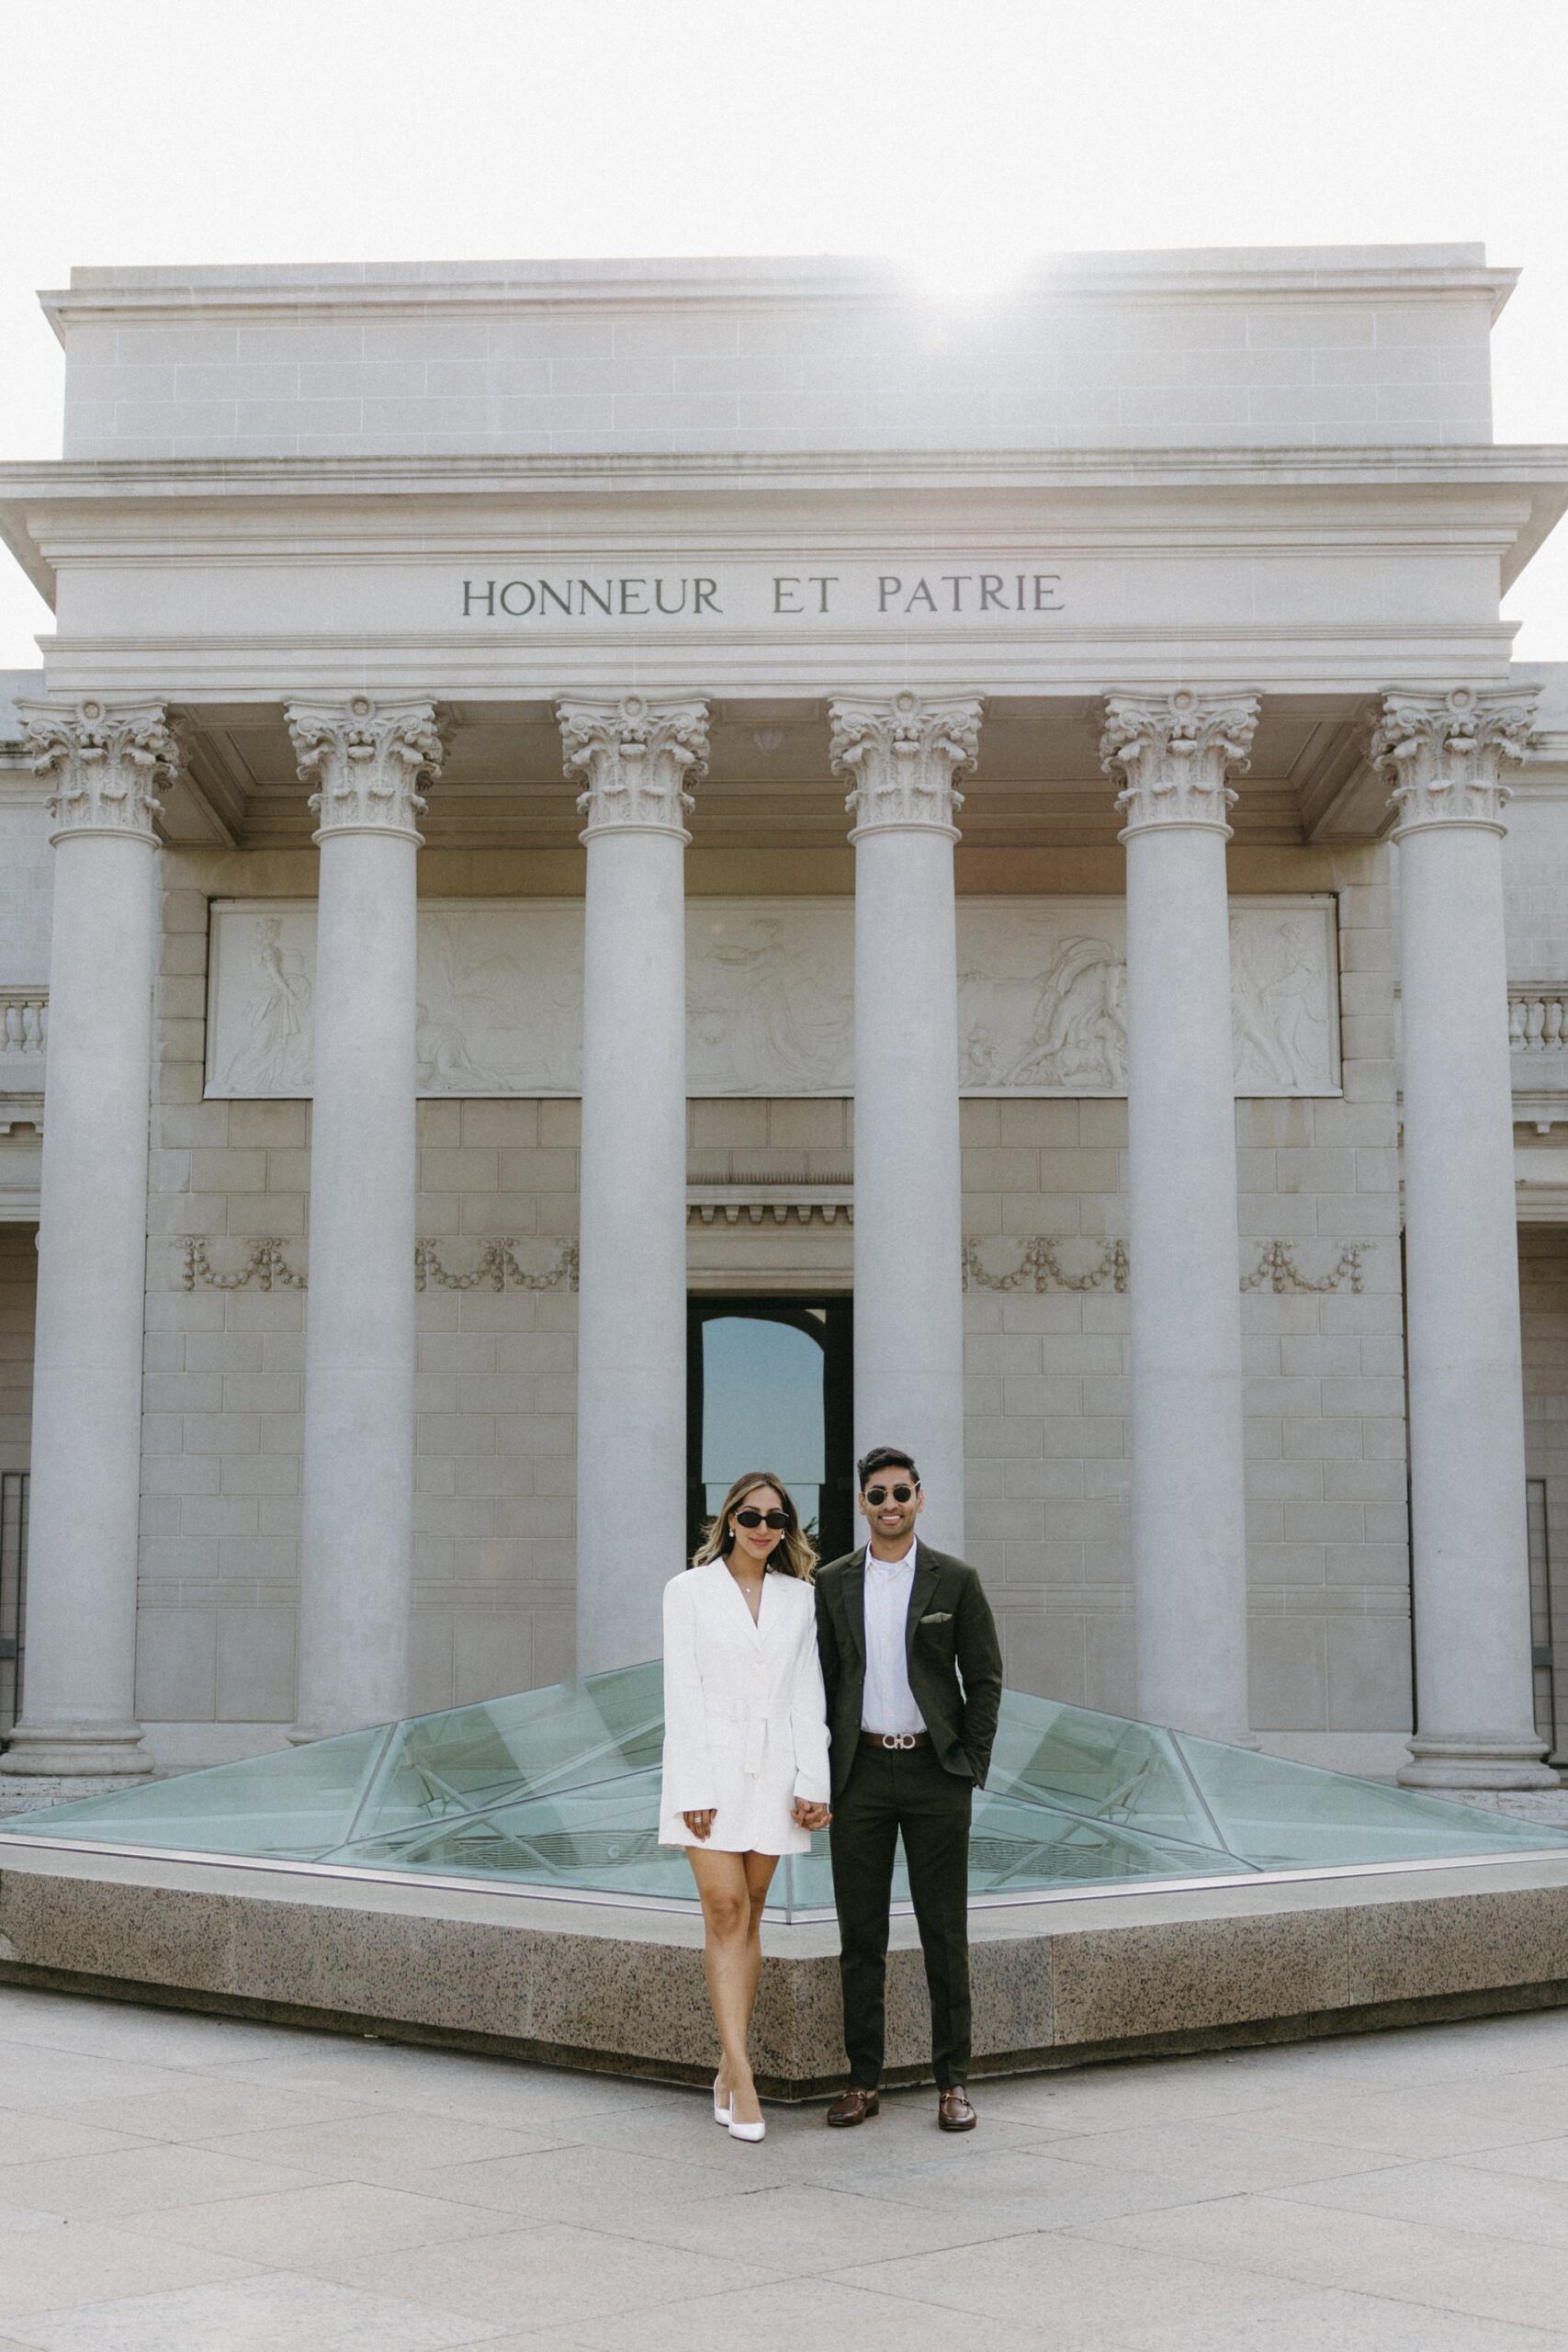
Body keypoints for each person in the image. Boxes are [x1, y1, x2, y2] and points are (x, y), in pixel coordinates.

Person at [815, 1445, 1004, 2132]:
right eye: (877, 1495)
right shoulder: (831, 1582)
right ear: (862, 1504)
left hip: (934, 1774)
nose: (889, 1505)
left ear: (920, 1498)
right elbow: (822, 1682)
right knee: (859, 1935)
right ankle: (863, 2081)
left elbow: (984, 1678)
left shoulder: (956, 1580)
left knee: (943, 1932)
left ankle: (953, 2083)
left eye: (900, 1493)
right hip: (859, 1775)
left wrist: (969, 1763)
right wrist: (819, 1775)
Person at [659, 1471, 832, 2143]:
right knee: (725, 1909)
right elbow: (682, 1693)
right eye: (752, 1516)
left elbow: (807, 1694)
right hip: (709, 1767)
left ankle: (725, 2073)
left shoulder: (801, 1598)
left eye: (776, 1519)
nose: (763, 1528)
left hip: (775, 1772)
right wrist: (693, 1788)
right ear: (730, 1518)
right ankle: (744, 2074)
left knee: (751, 1912)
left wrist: (813, 1781)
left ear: (787, 1529)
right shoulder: (687, 1591)